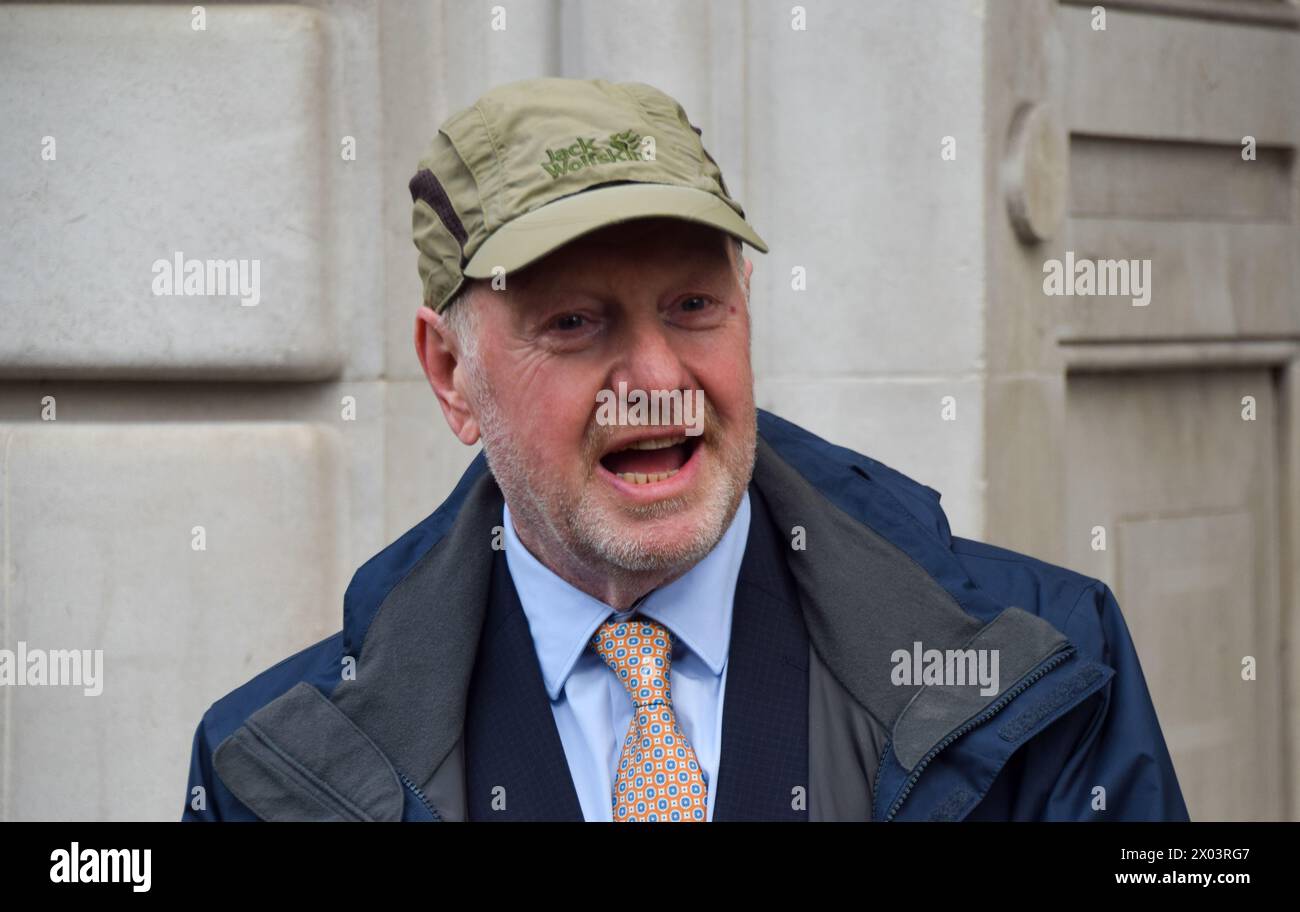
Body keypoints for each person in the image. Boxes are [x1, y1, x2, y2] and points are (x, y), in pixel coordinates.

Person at [182, 77, 1188, 822]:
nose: (656, 377)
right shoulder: (274, 773)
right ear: (449, 372)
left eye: (693, 306)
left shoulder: (1049, 666)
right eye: (576, 322)